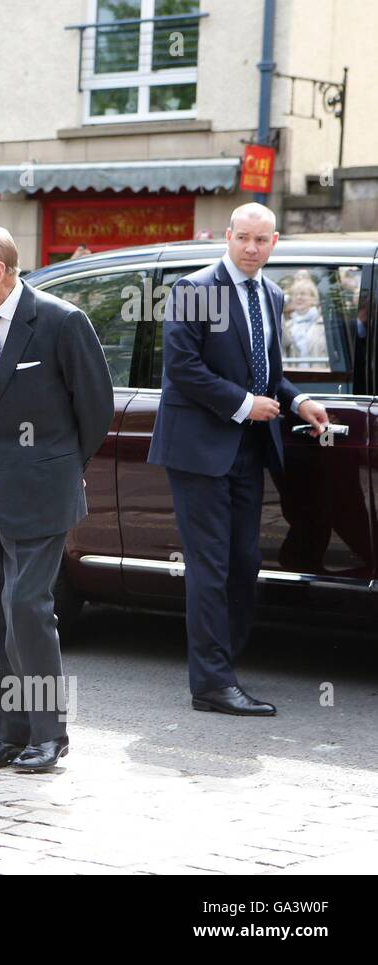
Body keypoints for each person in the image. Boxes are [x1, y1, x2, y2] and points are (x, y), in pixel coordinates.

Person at [147, 203, 330, 716]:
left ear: (275, 244)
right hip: (200, 450)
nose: (251, 247)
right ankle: (211, 684)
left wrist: (295, 400)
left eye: (261, 240)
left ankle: (223, 662)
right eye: (243, 237)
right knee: (209, 566)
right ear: (227, 237)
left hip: (249, 450)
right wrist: (245, 405)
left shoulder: (270, 293)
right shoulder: (196, 290)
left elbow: (265, 370)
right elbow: (182, 367)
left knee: (244, 563)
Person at [0, 225, 114, 772]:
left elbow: (95, 406)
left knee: (27, 607)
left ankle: (49, 734)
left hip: (42, 489)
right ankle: (10, 731)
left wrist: (61, 469)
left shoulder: (61, 321)